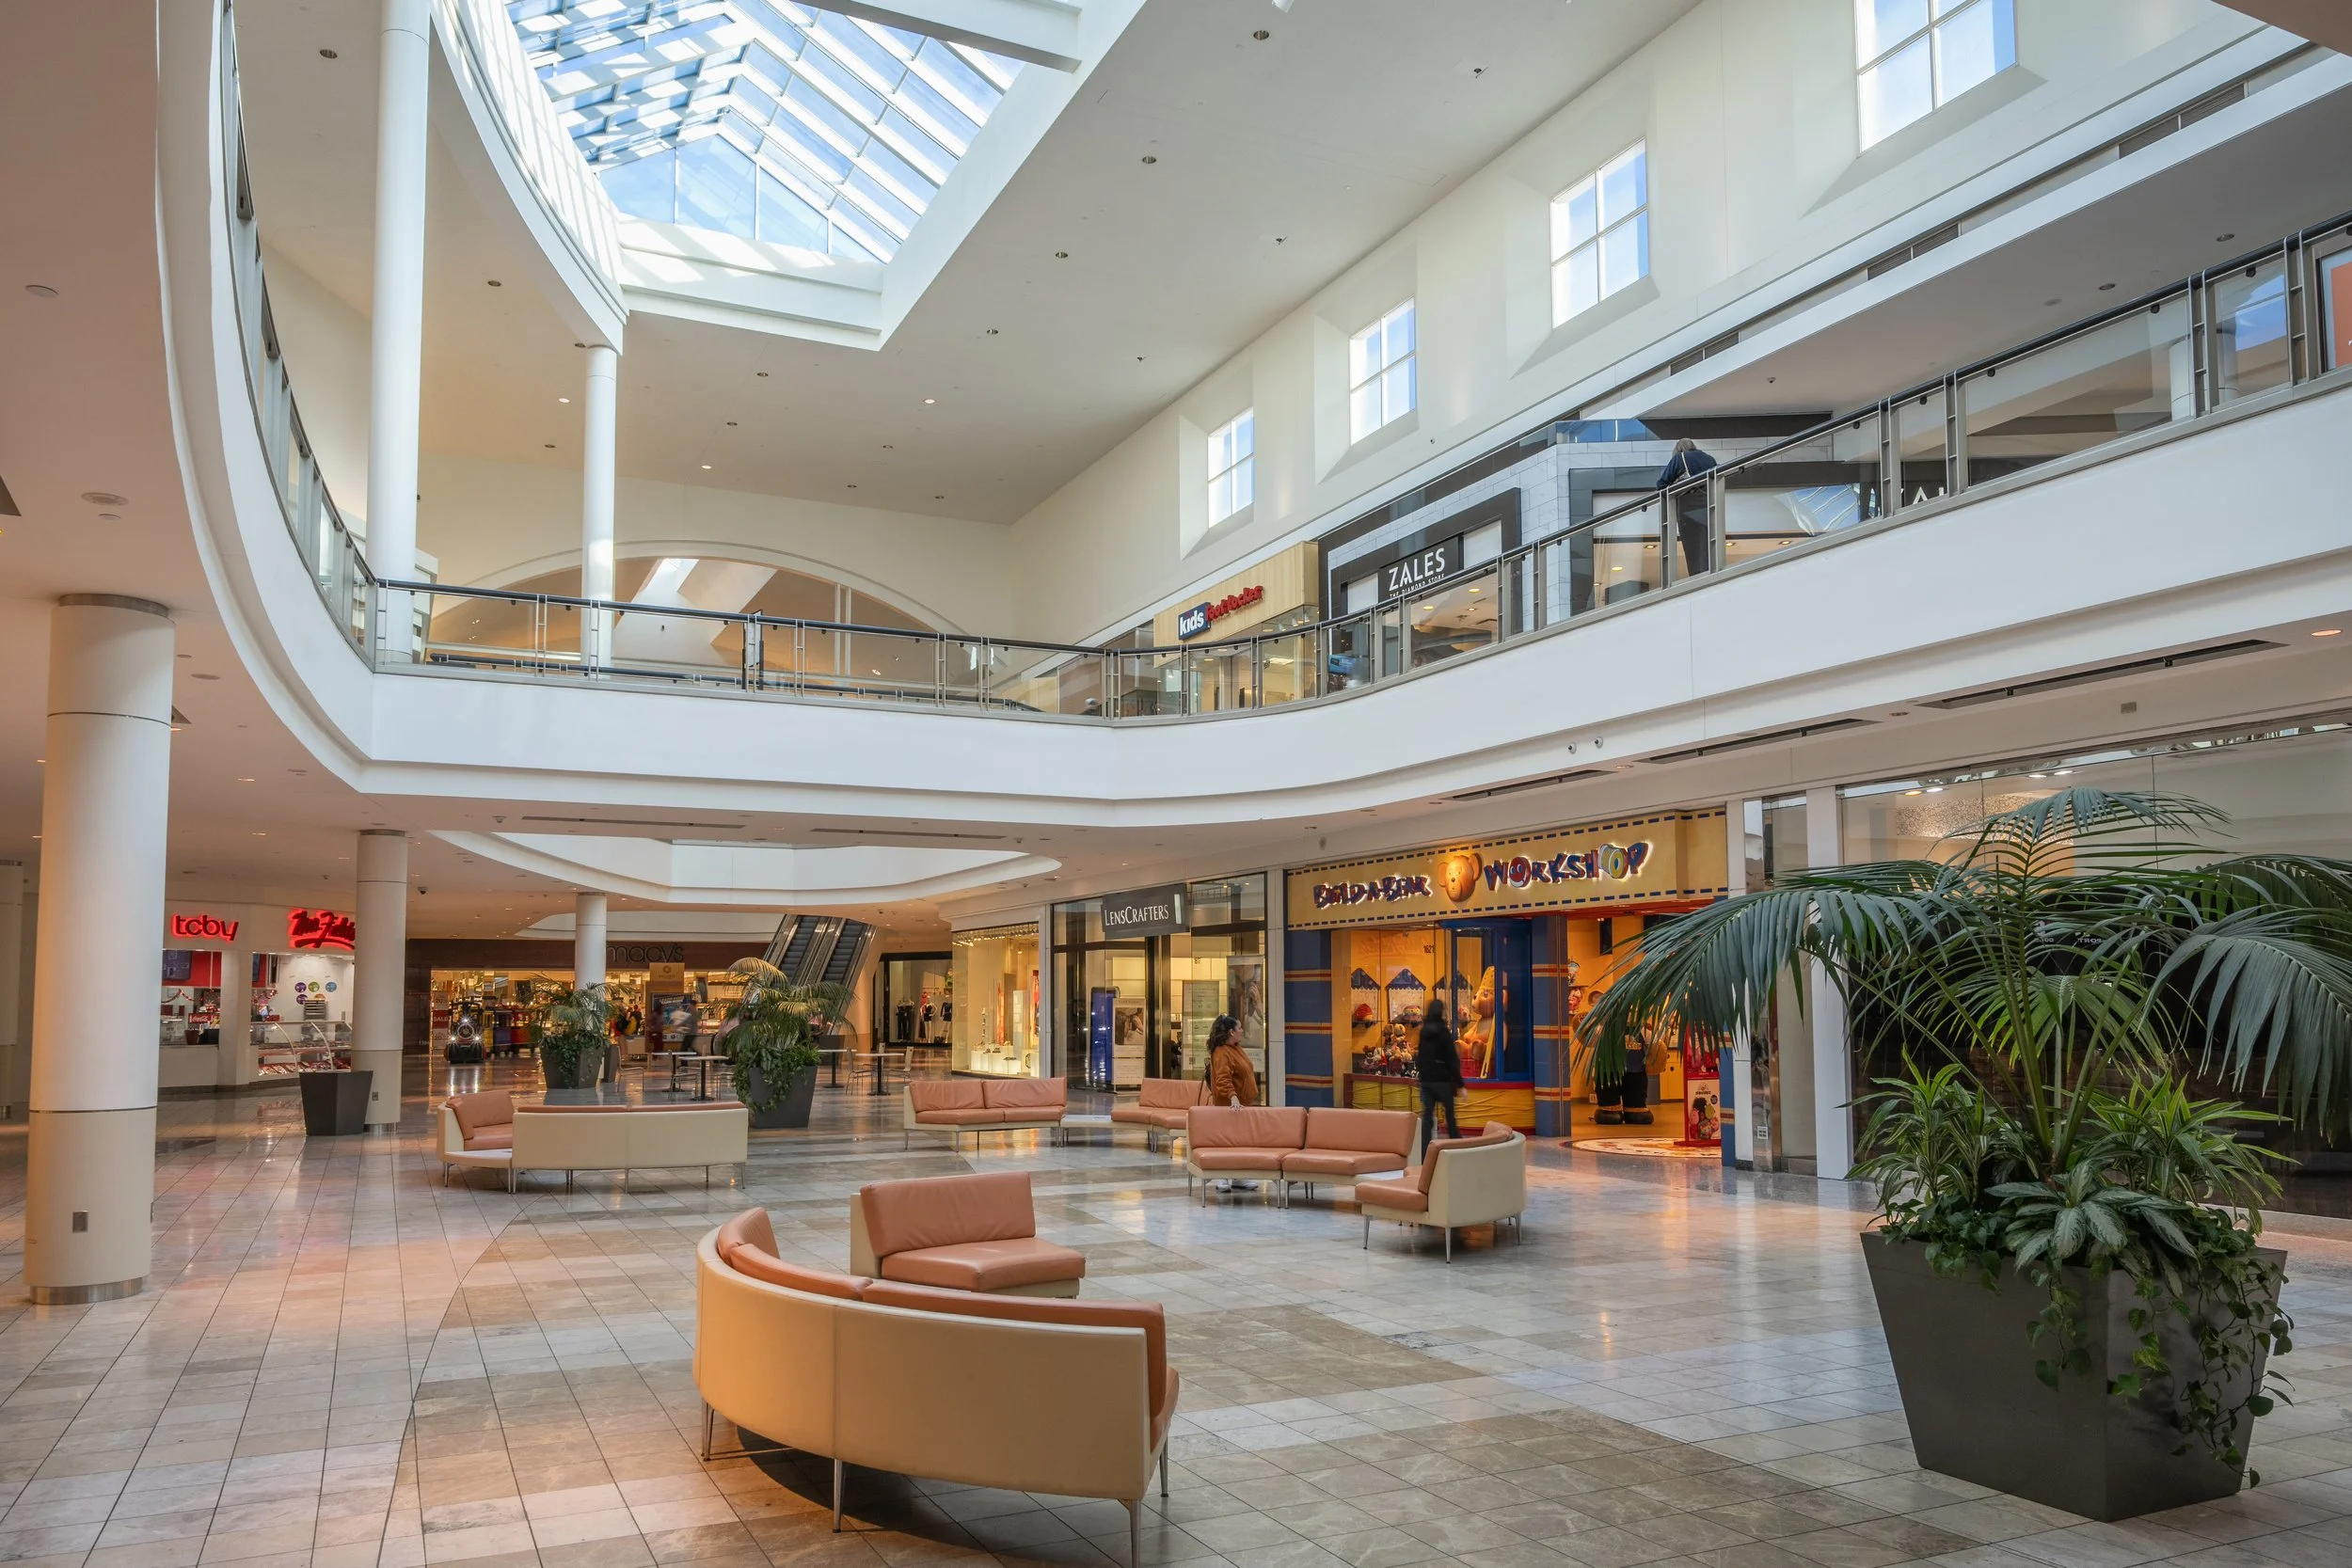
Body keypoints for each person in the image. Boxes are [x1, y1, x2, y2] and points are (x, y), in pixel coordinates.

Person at [1204, 1015, 1260, 1193]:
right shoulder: (1222, 1051)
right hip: (1230, 1106)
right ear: (1231, 1032)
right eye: (1240, 1028)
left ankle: (1237, 1177)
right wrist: (1233, 1097)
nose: (1242, 1031)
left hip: (1241, 1105)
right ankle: (1222, 1177)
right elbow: (1222, 1079)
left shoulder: (1236, 1048)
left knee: (1238, 1142)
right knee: (1226, 1142)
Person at [1655, 436, 1718, 583]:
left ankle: (1696, 578)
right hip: (1710, 505)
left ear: (1679, 449)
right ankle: (1710, 575)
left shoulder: (1680, 458)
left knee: (1692, 547)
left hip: (1688, 506)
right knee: (1707, 545)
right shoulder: (1710, 459)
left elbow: (1661, 484)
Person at [1416, 999, 1464, 1148]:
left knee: (1427, 1118)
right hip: (1442, 1082)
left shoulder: (1424, 1032)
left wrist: (1422, 1075)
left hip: (1427, 1081)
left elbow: (1421, 1056)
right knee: (1450, 1116)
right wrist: (1460, 1083)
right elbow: (1451, 1059)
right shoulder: (1443, 1033)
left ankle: (1425, 1153)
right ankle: (1456, 1148)